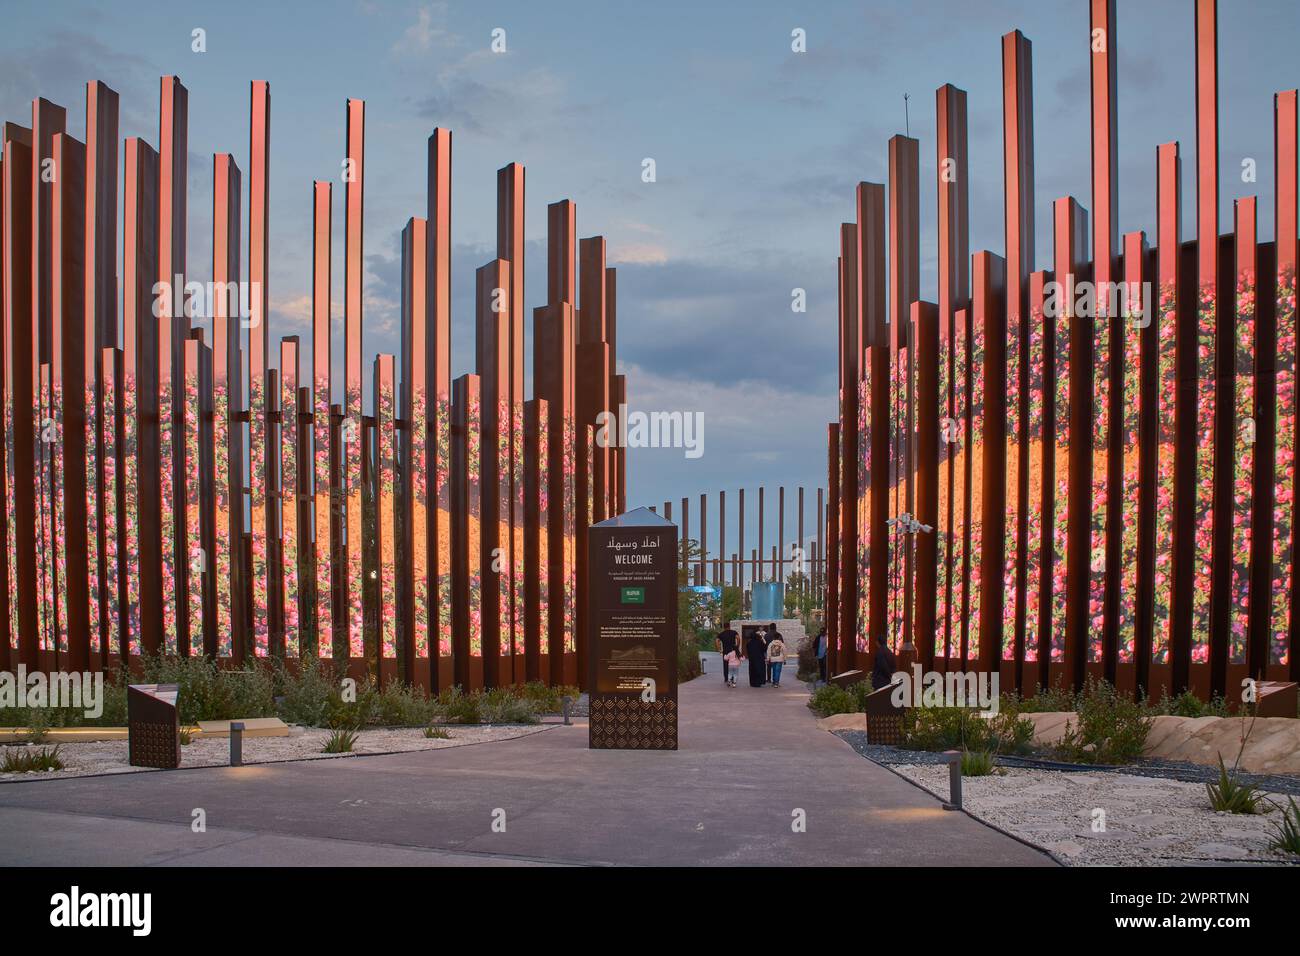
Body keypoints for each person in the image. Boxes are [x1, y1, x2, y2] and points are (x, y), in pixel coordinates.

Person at [715, 621, 740, 687]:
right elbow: (738, 638)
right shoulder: (734, 632)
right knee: (733, 663)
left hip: (725, 651)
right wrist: (737, 645)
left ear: (724, 627)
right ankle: (732, 678)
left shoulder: (721, 634)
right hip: (733, 650)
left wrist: (719, 649)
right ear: (729, 626)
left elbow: (717, 641)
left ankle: (726, 678)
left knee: (726, 664)